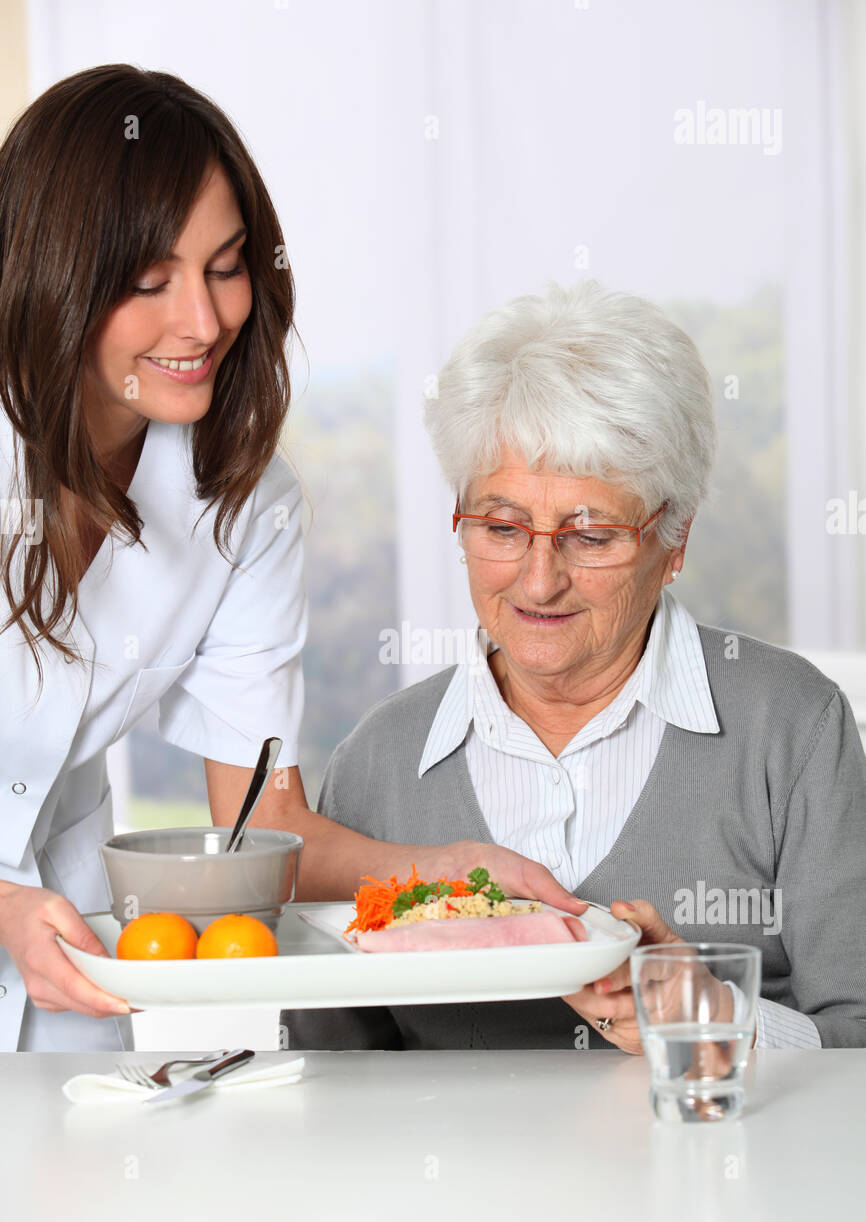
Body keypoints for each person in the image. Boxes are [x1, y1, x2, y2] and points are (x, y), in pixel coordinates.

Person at [0, 67, 585, 1052]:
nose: (201, 321)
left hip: (63, 944)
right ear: (47, 273)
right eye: (148, 281)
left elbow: (263, 824)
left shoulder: (245, 504)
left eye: (225, 267)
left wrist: (446, 874)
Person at [281, 279, 866, 1052]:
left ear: (676, 538)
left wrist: (721, 1022)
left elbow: (856, 1040)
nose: (538, 579)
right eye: (502, 525)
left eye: (591, 537)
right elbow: (329, 1078)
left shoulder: (793, 729)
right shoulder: (378, 764)